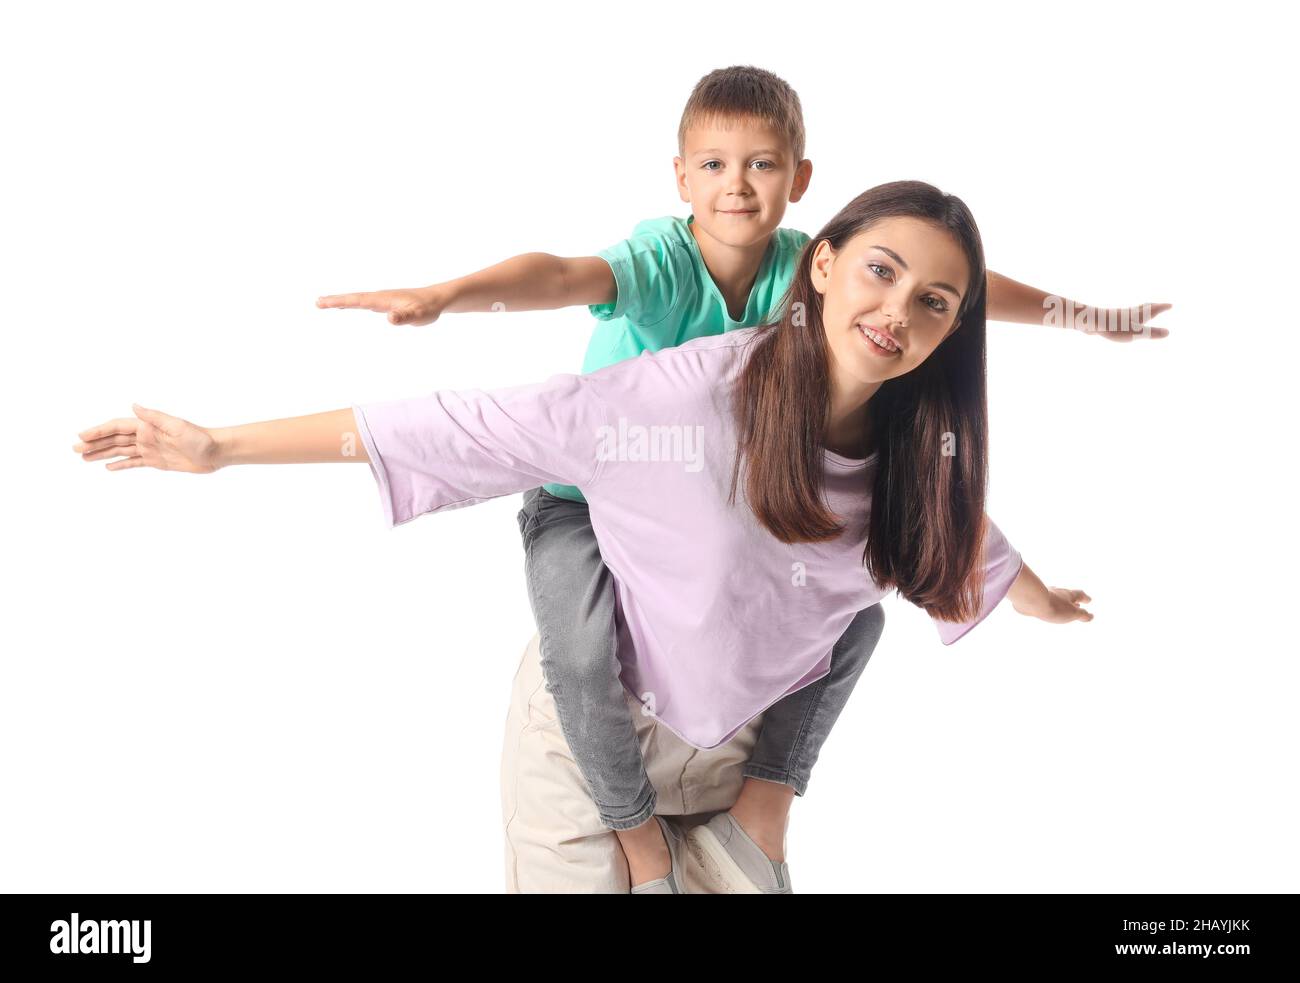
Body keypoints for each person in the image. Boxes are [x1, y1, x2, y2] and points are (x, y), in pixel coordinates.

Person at [73, 180, 1096, 894]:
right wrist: (220, 446)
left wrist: (1039, 597)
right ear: (821, 263)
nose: (896, 311)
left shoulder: (923, 449)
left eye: (933, 302)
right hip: (595, 725)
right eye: (878, 270)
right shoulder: (685, 399)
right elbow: (467, 423)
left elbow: (962, 537)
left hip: (741, 750)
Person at [312, 66, 1161, 892]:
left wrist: (1083, 317)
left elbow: (951, 286)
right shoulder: (662, 262)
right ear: (680, 176)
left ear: (801, 181)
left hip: (705, 540)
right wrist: (451, 294)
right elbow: (565, 275)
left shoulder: (810, 266)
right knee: (579, 648)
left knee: (857, 614)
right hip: (582, 500)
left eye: (762, 165)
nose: (738, 187)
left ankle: (766, 800)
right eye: (714, 166)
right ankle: (635, 833)